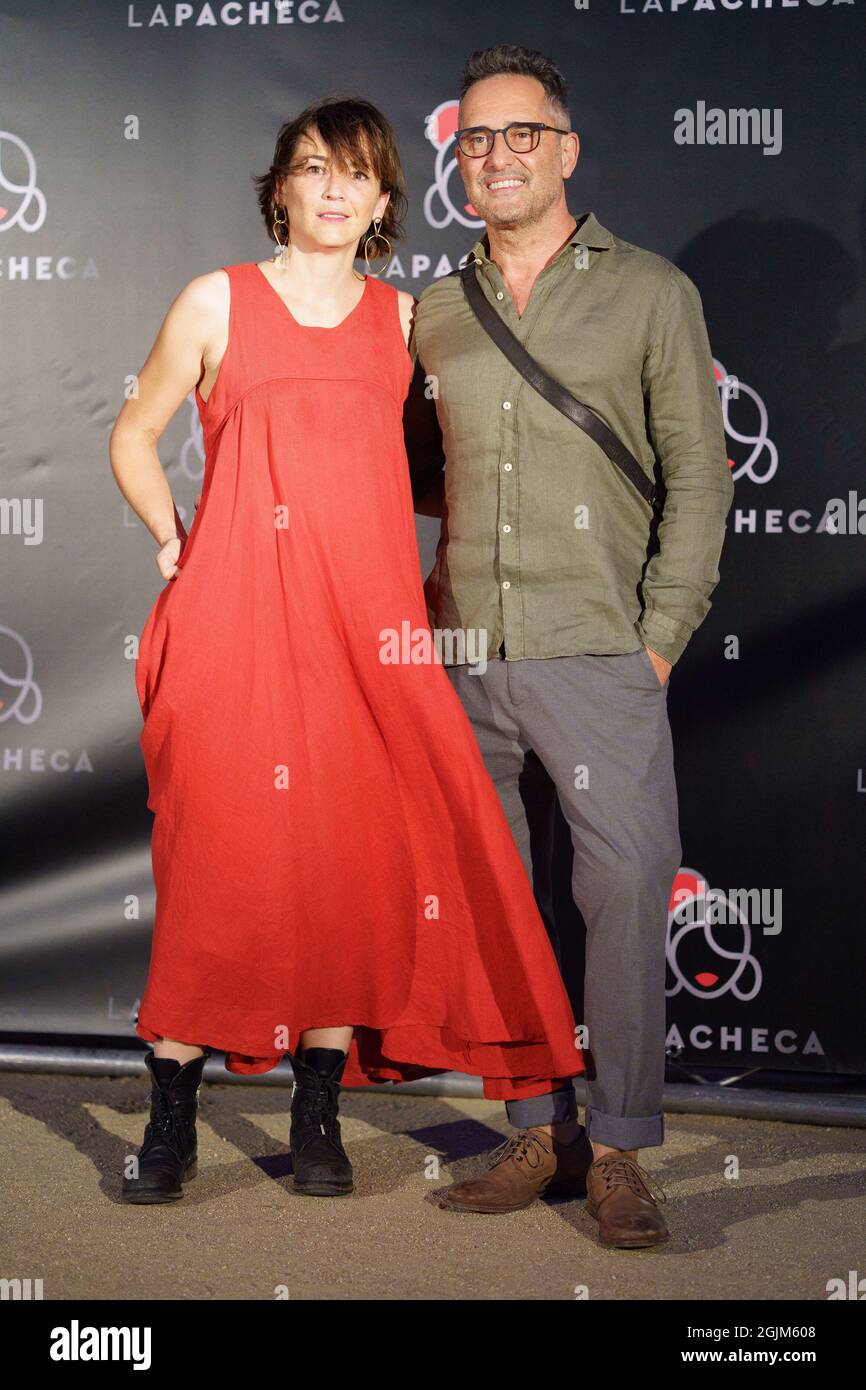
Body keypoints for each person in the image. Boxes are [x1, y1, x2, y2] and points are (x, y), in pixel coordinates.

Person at [108, 96, 586, 1207]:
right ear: (279, 184)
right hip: (233, 629)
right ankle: (170, 1115)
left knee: (343, 869)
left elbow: (449, 458)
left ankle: (314, 1109)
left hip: (365, 641)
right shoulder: (214, 299)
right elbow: (134, 432)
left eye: (356, 174)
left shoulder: (405, 320)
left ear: (381, 202)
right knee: (213, 865)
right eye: (312, 167)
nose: (332, 188)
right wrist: (175, 541)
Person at [409, 46, 735, 1247]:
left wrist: (656, 640)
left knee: (625, 886)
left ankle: (619, 1145)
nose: (496, 157)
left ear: (566, 149)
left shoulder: (648, 291)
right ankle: (534, 1124)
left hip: (598, 649)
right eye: (476, 142)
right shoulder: (435, 307)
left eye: (520, 135)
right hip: (464, 654)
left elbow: (700, 475)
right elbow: (400, 469)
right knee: (501, 906)